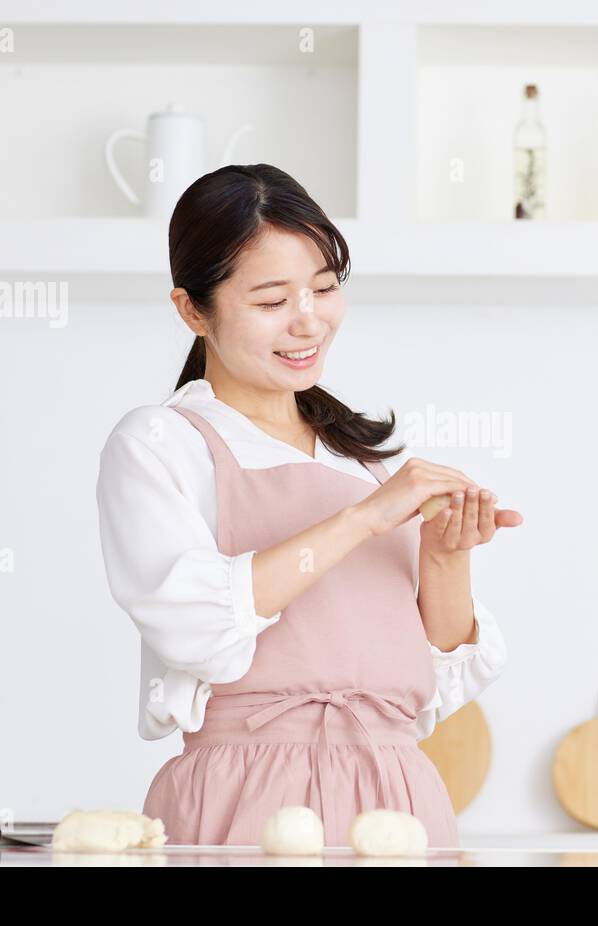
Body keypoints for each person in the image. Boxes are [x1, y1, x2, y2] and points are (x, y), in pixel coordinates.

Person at [95, 164, 522, 847]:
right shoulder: (161, 443)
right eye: (270, 301)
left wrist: (445, 557)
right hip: (247, 797)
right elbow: (196, 627)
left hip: (399, 801)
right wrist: (363, 520)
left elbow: (430, 685)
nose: (308, 319)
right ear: (192, 309)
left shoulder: (365, 457)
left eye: (324, 289)